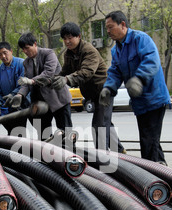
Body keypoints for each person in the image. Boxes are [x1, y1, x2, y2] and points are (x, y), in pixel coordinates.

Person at [102, 11, 170, 164]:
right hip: (140, 103)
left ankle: (151, 177)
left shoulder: (141, 39)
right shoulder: (116, 50)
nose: (108, 31)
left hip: (154, 99)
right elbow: (115, 72)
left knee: (148, 142)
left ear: (123, 25)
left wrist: (138, 79)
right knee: (151, 141)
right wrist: (108, 88)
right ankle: (163, 170)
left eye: (110, 27)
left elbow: (152, 62)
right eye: (106, 28)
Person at [52, 22, 126, 153]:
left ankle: (102, 159)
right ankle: (120, 152)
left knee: (99, 126)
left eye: (70, 38)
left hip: (104, 91)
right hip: (92, 94)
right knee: (106, 123)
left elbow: (87, 72)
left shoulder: (89, 50)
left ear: (79, 36)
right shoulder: (68, 53)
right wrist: (51, 79)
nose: (67, 41)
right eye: (64, 38)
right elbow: (65, 71)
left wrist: (67, 79)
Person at [16, 32, 73, 141]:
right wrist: (19, 95)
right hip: (41, 104)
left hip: (58, 99)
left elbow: (48, 73)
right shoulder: (26, 62)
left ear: (35, 44)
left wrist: (31, 81)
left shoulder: (48, 53)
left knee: (66, 132)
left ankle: (70, 156)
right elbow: (26, 82)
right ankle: (47, 157)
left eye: (27, 48)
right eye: (23, 49)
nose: (25, 51)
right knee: (44, 134)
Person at [0, 41, 29, 136]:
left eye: (5, 53)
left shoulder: (22, 64)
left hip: (26, 104)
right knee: (14, 134)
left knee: (40, 128)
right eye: (0, 54)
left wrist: (13, 94)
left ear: (11, 51)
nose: (3, 56)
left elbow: (23, 84)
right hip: (11, 107)